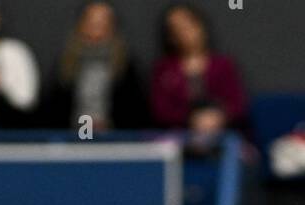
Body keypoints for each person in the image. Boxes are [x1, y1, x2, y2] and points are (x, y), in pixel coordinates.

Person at [43, 1, 148, 133]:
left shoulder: (126, 65)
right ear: (81, 24)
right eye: (92, 21)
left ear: (113, 26)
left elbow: (136, 112)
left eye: (103, 21)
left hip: (117, 141)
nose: (97, 27)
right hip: (72, 140)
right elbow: (53, 110)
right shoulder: (65, 64)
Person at [150, 2, 249, 136]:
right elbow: (161, 110)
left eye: (188, 25)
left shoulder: (224, 65)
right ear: (170, 37)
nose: (184, 33)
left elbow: (237, 105)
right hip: (179, 138)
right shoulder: (163, 69)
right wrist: (192, 119)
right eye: (176, 29)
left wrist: (216, 117)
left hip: (224, 135)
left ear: (200, 26)